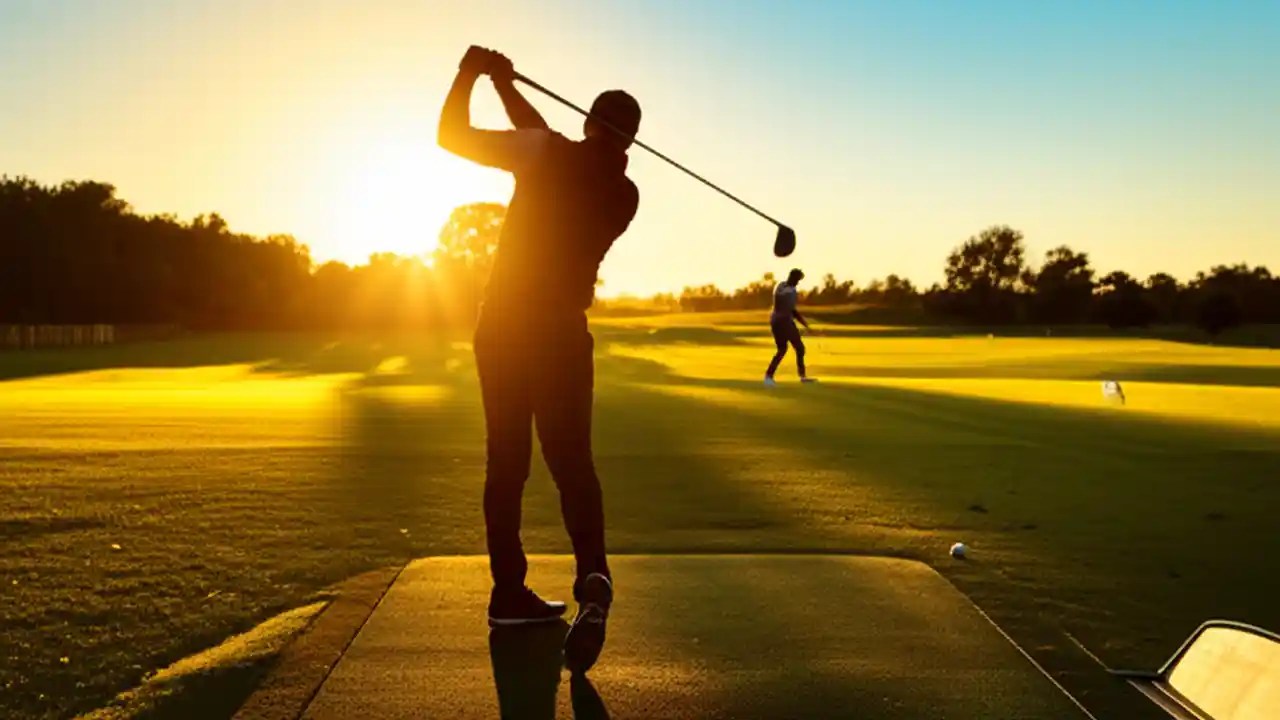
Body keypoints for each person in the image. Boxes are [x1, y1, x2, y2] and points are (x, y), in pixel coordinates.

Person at [438, 46, 639, 673]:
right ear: (629, 139)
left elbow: (452, 136)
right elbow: (542, 138)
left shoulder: (545, 152)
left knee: (508, 463)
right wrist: (505, 85)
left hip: (502, 328)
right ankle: (593, 574)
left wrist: (472, 75)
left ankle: (508, 592)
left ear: (587, 123)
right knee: (572, 463)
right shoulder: (624, 194)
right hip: (561, 334)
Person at [764, 268, 817, 385]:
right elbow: (793, 311)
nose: (798, 282)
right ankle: (802, 377)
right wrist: (806, 325)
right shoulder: (791, 291)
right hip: (784, 322)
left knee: (782, 349)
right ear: (794, 278)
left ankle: (768, 376)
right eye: (798, 280)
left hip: (774, 321)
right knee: (799, 348)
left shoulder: (779, 285)